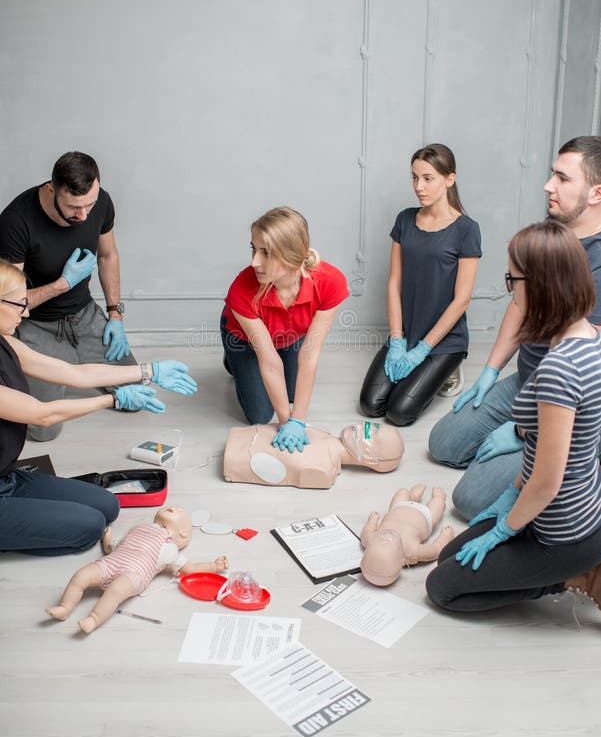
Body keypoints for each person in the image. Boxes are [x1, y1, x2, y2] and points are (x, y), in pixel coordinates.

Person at [426, 221, 601, 614]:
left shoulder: (561, 367)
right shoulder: (588, 336)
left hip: (560, 535)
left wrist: (505, 528)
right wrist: (509, 496)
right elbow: (541, 449)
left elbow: (547, 482)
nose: (511, 289)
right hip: (559, 508)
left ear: (539, 285)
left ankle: (573, 578)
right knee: (448, 558)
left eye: (512, 279)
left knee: (442, 589)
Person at [429, 136, 601, 520]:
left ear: (595, 193)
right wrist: (490, 371)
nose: (548, 186)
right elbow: (519, 303)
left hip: (569, 399)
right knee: (443, 444)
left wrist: (526, 433)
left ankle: (579, 464)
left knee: (470, 500)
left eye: (562, 178)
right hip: (529, 379)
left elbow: (585, 370)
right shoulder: (552, 232)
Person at [0, 260, 197, 556]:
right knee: (89, 527)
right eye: (20, 304)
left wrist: (149, 371)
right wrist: (113, 399)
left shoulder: (7, 344)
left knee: (107, 505)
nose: (26, 312)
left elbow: (76, 373)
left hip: (7, 477)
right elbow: (43, 414)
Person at [0, 151, 136, 441]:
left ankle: (71, 365)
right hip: (34, 323)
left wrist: (115, 314)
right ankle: (44, 370)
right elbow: (8, 302)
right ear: (52, 190)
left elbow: (108, 256)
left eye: (90, 204)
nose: (84, 216)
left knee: (135, 394)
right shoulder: (15, 222)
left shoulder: (101, 203)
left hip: (84, 314)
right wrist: (64, 282)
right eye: (74, 207)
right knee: (44, 431)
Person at [359, 143, 481, 426]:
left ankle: (449, 368)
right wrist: (398, 339)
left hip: (444, 340)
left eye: (428, 178)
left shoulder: (466, 229)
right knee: (370, 406)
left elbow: (461, 300)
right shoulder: (405, 220)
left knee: (399, 413)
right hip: (406, 334)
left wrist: (423, 349)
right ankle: (417, 358)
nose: (419, 186)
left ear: (449, 179)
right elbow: (394, 284)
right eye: (414, 177)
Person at [221, 206, 349, 452]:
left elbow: (310, 355)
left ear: (291, 254)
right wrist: (284, 422)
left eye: (266, 252)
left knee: (292, 394)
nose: (255, 262)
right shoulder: (241, 290)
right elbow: (269, 361)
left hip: (290, 336)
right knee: (260, 414)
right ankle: (234, 360)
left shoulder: (330, 282)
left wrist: (298, 420)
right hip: (244, 339)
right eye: (253, 249)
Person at [46, 505, 228, 633]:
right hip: (110, 563)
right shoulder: (138, 529)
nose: (173, 506)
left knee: (115, 590)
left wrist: (213, 566)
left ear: (184, 533)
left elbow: (191, 568)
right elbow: (112, 548)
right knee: (81, 576)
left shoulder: (169, 547)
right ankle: (65, 607)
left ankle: (94, 618)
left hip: (134, 575)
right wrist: (107, 538)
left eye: (179, 511)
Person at [223, 420, 404, 488]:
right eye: (372, 425)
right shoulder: (322, 433)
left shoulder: (321, 471)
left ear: (372, 459)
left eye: (371, 435)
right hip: (240, 439)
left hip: (235, 460)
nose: (361, 426)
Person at [360, 485, 454, 587]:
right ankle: (439, 497)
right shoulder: (410, 551)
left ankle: (413, 496)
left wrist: (373, 520)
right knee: (437, 505)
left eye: (380, 542)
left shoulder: (370, 539)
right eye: (389, 544)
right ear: (401, 561)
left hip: (398, 507)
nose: (386, 538)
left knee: (402, 492)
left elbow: (367, 531)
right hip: (426, 515)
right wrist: (445, 536)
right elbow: (435, 550)